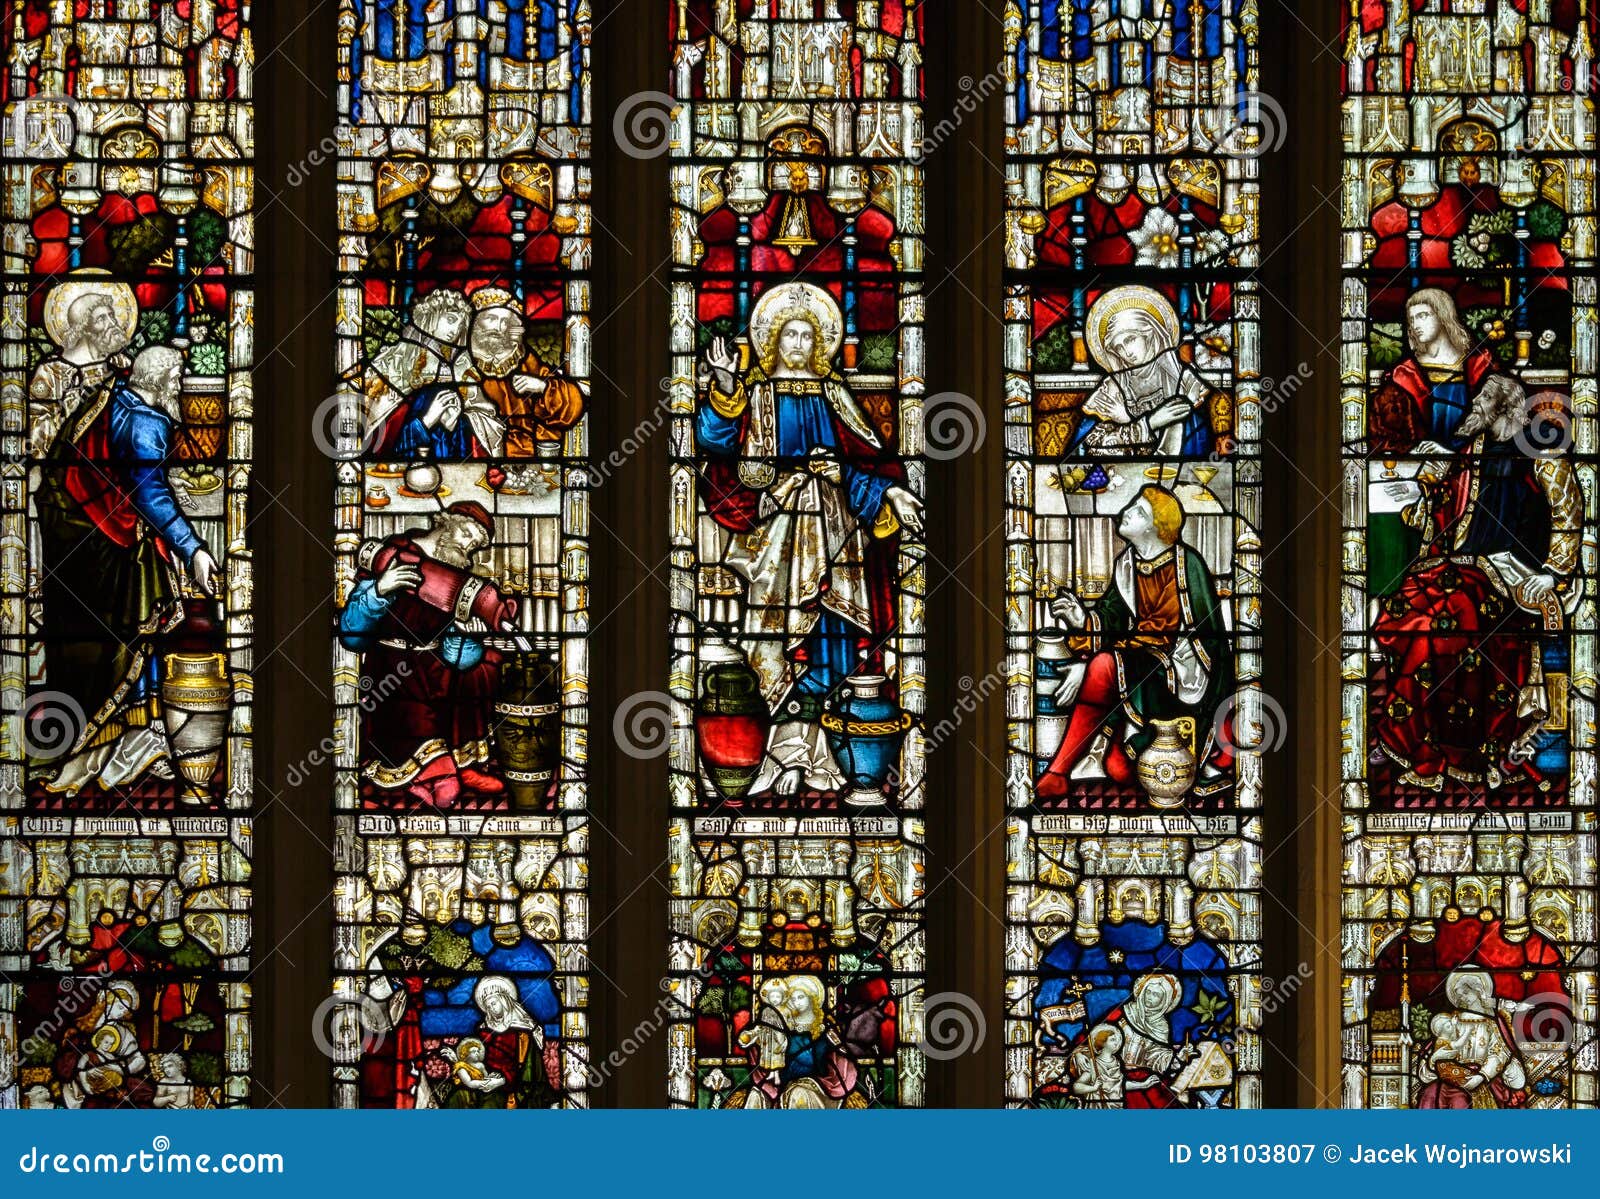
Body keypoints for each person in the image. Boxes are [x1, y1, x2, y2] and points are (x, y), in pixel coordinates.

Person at [698, 282, 923, 795]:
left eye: (807, 335)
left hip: (838, 539)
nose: (798, 344)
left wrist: (885, 494)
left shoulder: (834, 395)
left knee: (834, 647)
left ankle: (825, 758)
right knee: (774, 644)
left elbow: (869, 461)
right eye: (789, 335)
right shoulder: (754, 395)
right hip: (777, 541)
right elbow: (714, 448)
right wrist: (725, 388)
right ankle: (779, 756)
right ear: (771, 341)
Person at [1371, 372, 1579, 788]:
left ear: (1503, 409)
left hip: (1513, 575)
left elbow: (1567, 510)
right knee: (1408, 606)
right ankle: (1417, 743)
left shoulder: (1539, 448)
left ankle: (1425, 745)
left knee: (1444, 623)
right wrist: (1429, 487)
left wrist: (1552, 574)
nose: (1475, 411)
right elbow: (1452, 497)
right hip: (1468, 566)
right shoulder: (1477, 447)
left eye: (1483, 404)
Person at [34, 345, 220, 796]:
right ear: (157, 380)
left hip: (76, 539)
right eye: (175, 376)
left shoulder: (116, 398)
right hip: (111, 548)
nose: (179, 384)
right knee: (133, 634)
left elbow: (124, 474)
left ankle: (100, 742)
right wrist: (193, 549)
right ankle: (121, 746)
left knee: (90, 643)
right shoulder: (146, 422)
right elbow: (148, 494)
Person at [1036, 486, 1230, 799]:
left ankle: (1058, 771)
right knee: (1120, 770)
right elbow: (1111, 618)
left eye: (1138, 511)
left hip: (1180, 672)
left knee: (1101, 666)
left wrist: (1088, 664)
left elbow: (1193, 636)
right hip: (1138, 665)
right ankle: (1102, 749)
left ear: (1155, 527)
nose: (1126, 511)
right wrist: (1080, 619)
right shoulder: (1127, 564)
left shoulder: (1186, 565)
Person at [339, 502, 514, 807]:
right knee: (446, 795)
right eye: (467, 535)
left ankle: (463, 765)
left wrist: (467, 632)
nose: (468, 548)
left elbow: (457, 655)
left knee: (483, 668)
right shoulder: (393, 556)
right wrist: (380, 590)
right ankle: (432, 773)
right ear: (444, 521)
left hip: (435, 674)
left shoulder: (458, 582)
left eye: (474, 545)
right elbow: (351, 633)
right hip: (392, 676)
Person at [1073, 286, 1213, 457]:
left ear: (1150, 334)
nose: (1126, 352)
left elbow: (1199, 447)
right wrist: (1149, 423)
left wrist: (1127, 423)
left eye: (1130, 339)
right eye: (1118, 347)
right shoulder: (1111, 390)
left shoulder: (1187, 385)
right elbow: (1082, 450)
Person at [451, 288, 586, 460]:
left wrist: (542, 387)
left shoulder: (525, 361)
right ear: (476, 323)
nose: (499, 328)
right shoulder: (459, 364)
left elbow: (572, 406)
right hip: (473, 454)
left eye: (505, 322)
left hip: (527, 455)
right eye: (491, 319)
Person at [363, 287, 474, 451]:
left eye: (460, 326)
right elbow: (381, 441)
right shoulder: (399, 359)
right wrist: (427, 421)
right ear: (431, 316)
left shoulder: (461, 365)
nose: (455, 331)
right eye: (451, 319)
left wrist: (455, 424)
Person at [1417, 968, 1528, 1109]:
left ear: (1478, 990)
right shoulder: (1452, 1021)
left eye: (1465, 992)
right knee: (1432, 1095)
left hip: (1482, 1078)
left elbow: (1500, 1054)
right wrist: (1433, 1060)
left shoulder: (1491, 1022)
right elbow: (1436, 1054)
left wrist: (1482, 1076)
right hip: (1452, 1080)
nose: (1462, 997)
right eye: (1459, 995)